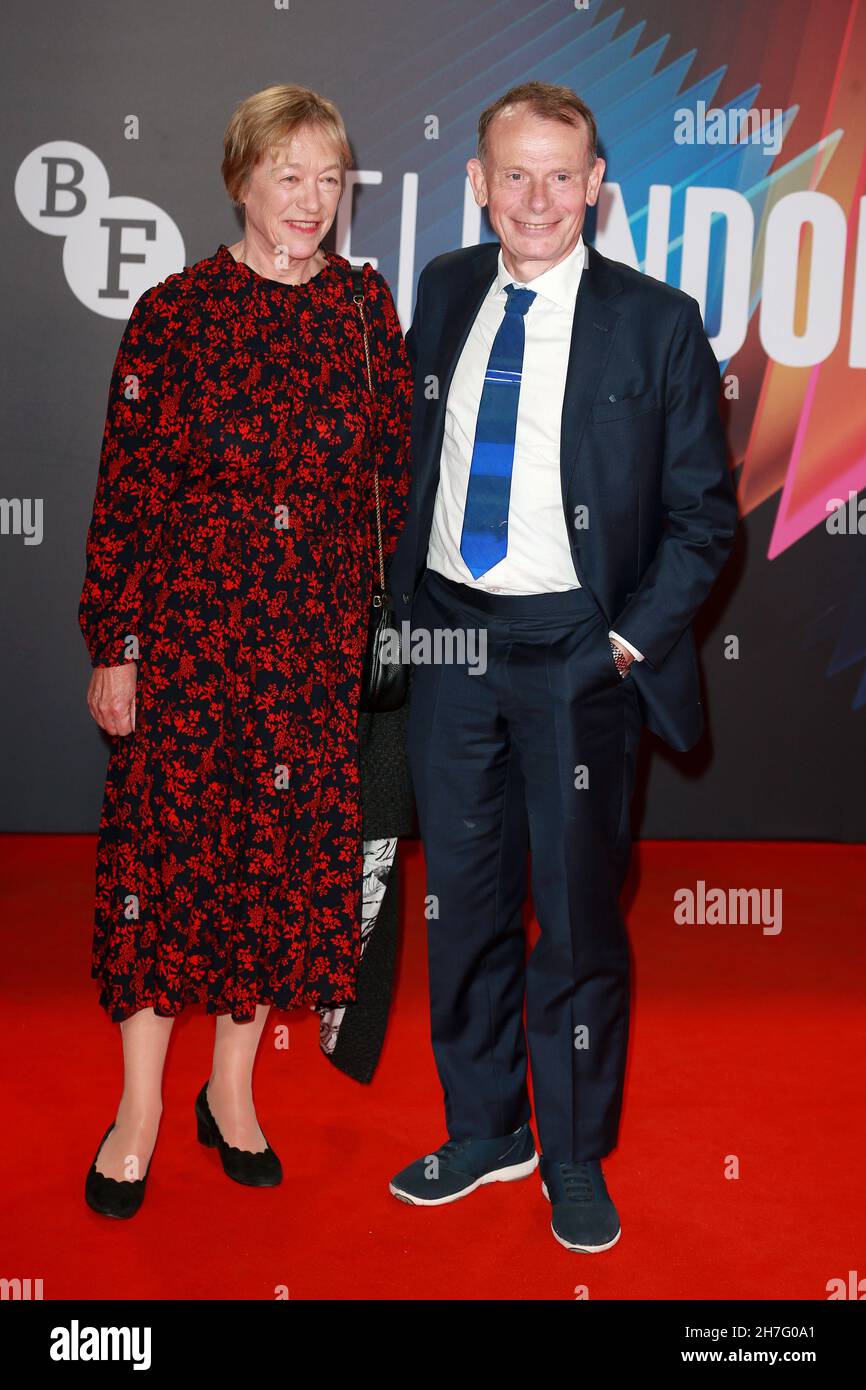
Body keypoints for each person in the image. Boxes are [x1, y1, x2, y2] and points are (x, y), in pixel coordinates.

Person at [388, 81, 738, 1251]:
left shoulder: (656, 321)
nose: (535, 200)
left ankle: (574, 1152)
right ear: (476, 182)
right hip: (448, 638)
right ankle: (488, 1129)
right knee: (461, 904)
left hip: (576, 656)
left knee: (577, 919)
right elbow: (408, 464)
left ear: (594, 186)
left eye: (559, 176)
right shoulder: (443, 291)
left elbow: (703, 518)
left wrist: (621, 644)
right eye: (513, 174)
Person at [78, 84, 411, 1218]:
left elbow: (393, 478)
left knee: (270, 873)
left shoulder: (362, 312)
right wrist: (116, 642)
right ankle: (138, 1109)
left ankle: (230, 1091)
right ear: (241, 181)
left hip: (310, 648)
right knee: (161, 869)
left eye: (329, 179)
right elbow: (125, 494)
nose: (310, 201)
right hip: (187, 642)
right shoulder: (174, 313)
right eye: (288, 175)